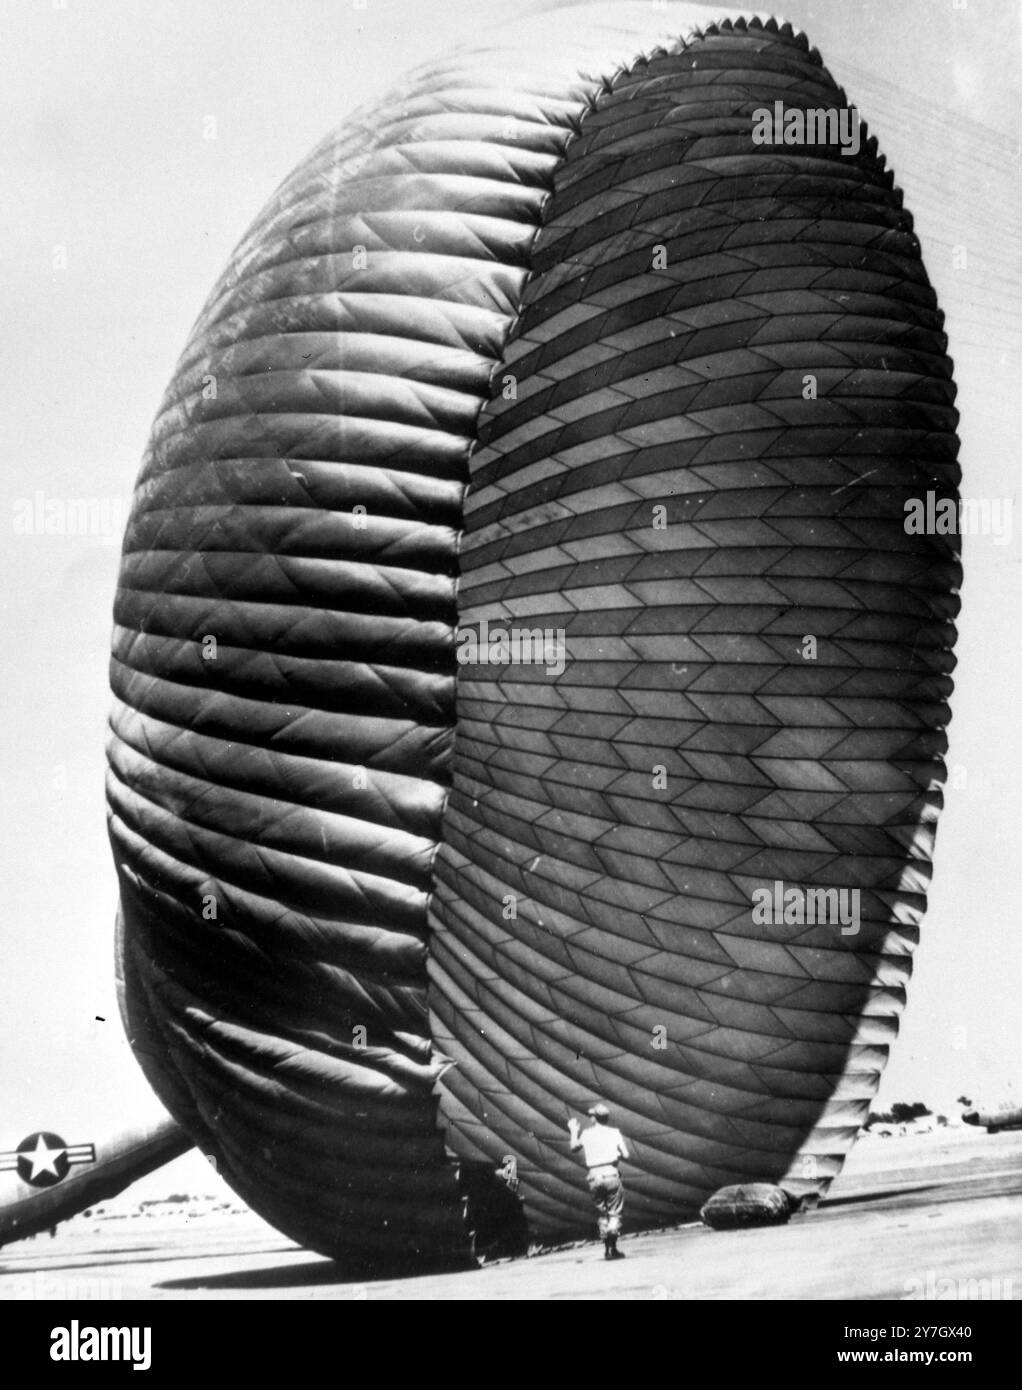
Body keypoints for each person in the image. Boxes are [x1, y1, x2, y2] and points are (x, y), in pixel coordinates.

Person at [568, 1102, 630, 1259]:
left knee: (603, 1213)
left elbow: (574, 1147)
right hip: (611, 1173)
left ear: (594, 1118)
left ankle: (608, 1249)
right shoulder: (614, 1132)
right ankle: (612, 1244)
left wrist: (574, 1131)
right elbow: (626, 1155)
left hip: (594, 1176)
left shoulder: (587, 1134)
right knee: (614, 1213)